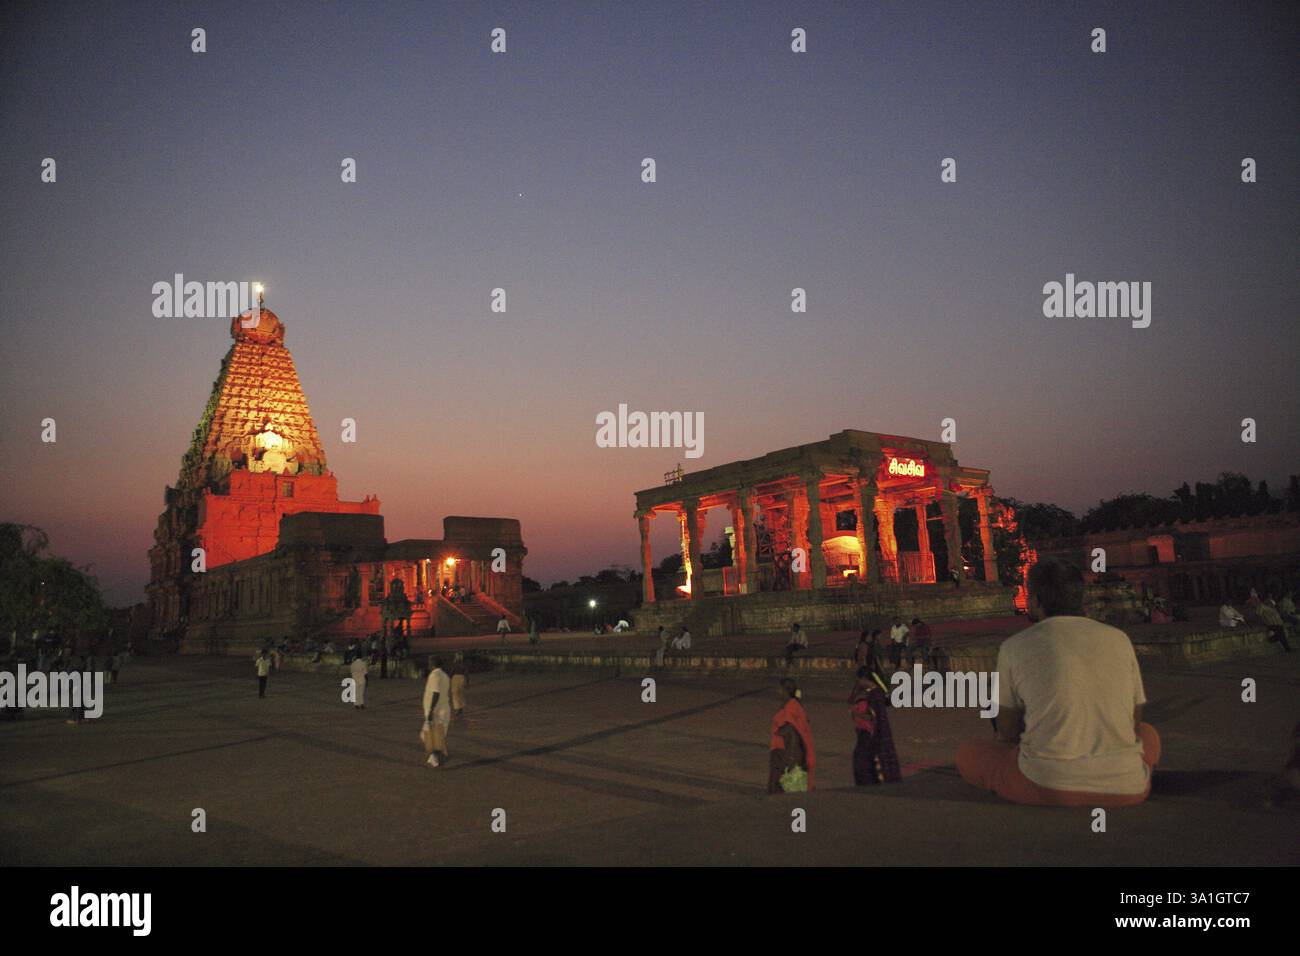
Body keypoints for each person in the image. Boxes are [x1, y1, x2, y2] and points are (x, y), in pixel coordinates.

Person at [955, 557, 1160, 807]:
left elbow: (1007, 732)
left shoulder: (1014, 646)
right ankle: (1116, 771)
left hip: (1047, 785)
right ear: (1080, 598)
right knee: (1149, 735)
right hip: (1129, 786)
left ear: (1036, 601)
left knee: (969, 754)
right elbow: (1134, 723)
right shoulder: (1118, 639)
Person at [849, 662, 900, 785]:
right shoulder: (873, 692)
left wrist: (856, 714)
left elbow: (872, 717)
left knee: (863, 761)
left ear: (864, 679)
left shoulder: (873, 694)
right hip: (871, 733)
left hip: (870, 734)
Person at [768, 677, 815, 793]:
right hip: (785, 752)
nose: (778, 692)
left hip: (785, 753)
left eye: (780, 689)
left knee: (779, 788)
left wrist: (789, 759)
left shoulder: (791, 708)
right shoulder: (794, 705)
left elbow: (793, 733)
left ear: (785, 690)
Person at [422, 657, 452, 768]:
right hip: (444, 709)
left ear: (433, 663)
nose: (428, 664)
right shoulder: (445, 676)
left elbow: (436, 693)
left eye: (429, 662)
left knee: (430, 735)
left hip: (436, 711)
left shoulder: (434, 675)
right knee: (437, 735)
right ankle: (434, 757)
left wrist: (431, 710)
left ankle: (436, 757)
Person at [450, 652, 468, 718]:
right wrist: (467, 682)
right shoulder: (463, 663)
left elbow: (452, 672)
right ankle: (460, 708)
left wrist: (449, 678)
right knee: (460, 693)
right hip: (462, 678)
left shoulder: (455, 663)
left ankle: (458, 708)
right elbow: (466, 672)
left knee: (455, 694)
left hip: (455, 678)